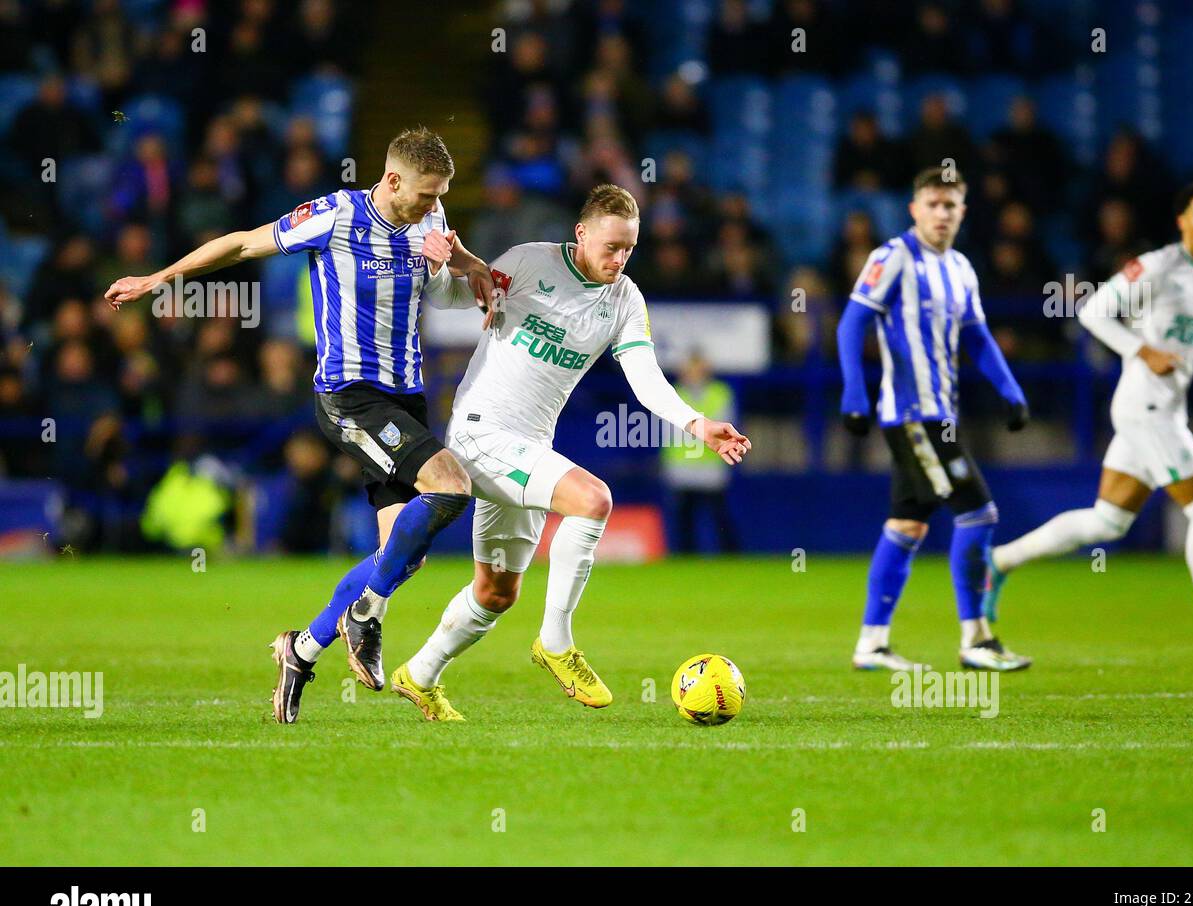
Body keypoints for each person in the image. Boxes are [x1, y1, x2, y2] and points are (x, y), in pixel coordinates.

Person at [105, 127, 498, 723]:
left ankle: (302, 650)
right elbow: (239, 245)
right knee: (451, 487)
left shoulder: (430, 216)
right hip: (349, 395)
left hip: (405, 398)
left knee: (404, 554)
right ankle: (362, 616)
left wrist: (474, 271)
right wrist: (157, 280)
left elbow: (452, 266)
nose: (431, 205)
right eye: (423, 195)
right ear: (391, 180)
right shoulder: (335, 217)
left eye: (438, 196)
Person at [387, 184, 752, 720]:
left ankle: (418, 675)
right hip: (480, 432)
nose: (620, 258)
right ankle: (556, 642)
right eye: (611, 246)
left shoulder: (624, 299)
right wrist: (441, 268)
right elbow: (452, 297)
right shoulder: (530, 264)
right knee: (593, 499)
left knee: (495, 594)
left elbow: (644, 376)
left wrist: (694, 422)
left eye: (629, 247)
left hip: (528, 445)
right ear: (581, 234)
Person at [985, 182, 1193, 660]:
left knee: (1108, 522)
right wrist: (1142, 350)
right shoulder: (1156, 267)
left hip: (1165, 406)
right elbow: (1093, 311)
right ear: (1181, 220)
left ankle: (998, 562)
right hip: (1146, 406)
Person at [837, 166, 1032, 673]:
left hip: (940, 413)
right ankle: (976, 638)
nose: (942, 213)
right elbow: (852, 321)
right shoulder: (893, 257)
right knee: (978, 513)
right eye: (933, 203)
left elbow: (978, 338)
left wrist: (1010, 392)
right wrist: (855, 396)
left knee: (906, 525)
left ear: (963, 212)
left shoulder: (962, 268)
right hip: (911, 416)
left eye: (951, 205)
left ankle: (871, 644)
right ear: (914, 208)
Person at [660, 353, 741, 553]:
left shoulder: (719, 393)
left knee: (720, 518)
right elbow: (665, 430)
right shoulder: (674, 393)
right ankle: (685, 560)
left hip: (711, 470)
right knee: (684, 521)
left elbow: (726, 425)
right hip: (682, 470)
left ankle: (732, 558)